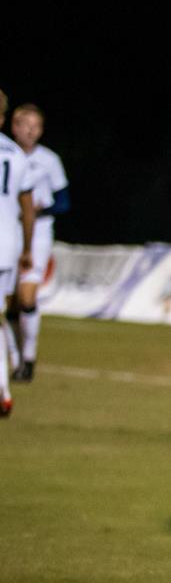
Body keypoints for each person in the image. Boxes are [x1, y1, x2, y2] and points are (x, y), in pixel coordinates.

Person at [6, 104, 66, 383]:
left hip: (38, 234)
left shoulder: (49, 160)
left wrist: (39, 210)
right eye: (25, 125)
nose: (30, 131)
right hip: (10, 233)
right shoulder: (9, 155)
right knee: (11, 303)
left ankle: (28, 359)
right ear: (14, 126)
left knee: (27, 297)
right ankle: (15, 360)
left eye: (36, 126)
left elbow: (63, 201)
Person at [0, 90, 37, 418]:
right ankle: (4, 389)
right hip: (6, 245)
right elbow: (27, 208)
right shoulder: (17, 155)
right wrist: (26, 248)